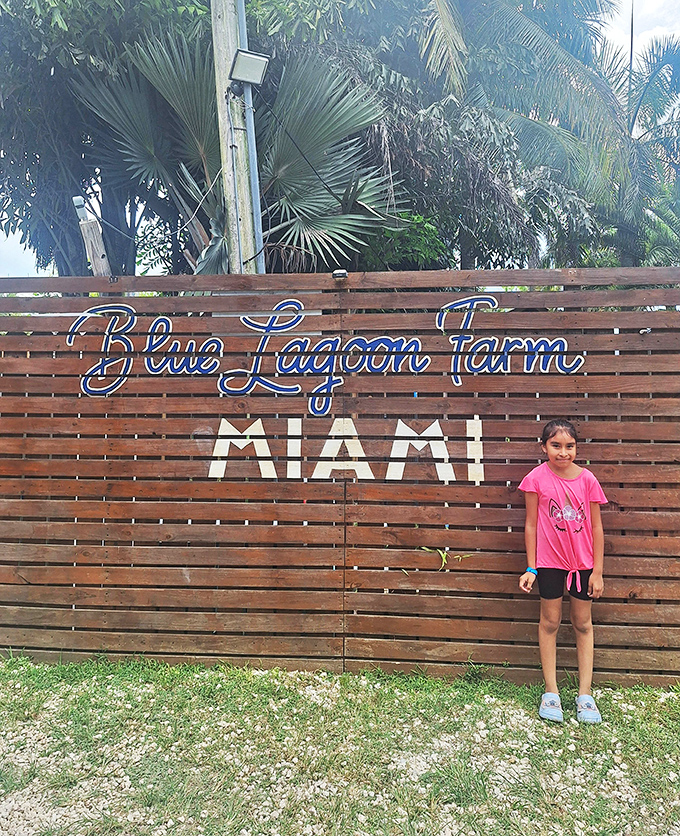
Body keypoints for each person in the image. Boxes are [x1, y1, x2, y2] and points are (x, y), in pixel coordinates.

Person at [518, 419, 607, 724]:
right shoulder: (535, 479)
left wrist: (597, 571)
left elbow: (596, 527)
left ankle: (585, 695)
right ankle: (551, 692)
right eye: (556, 445)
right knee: (549, 623)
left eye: (570, 446)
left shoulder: (588, 480)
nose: (563, 452)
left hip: (583, 566)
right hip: (549, 565)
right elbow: (531, 525)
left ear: (576, 448)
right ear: (544, 447)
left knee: (583, 624)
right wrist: (531, 567)